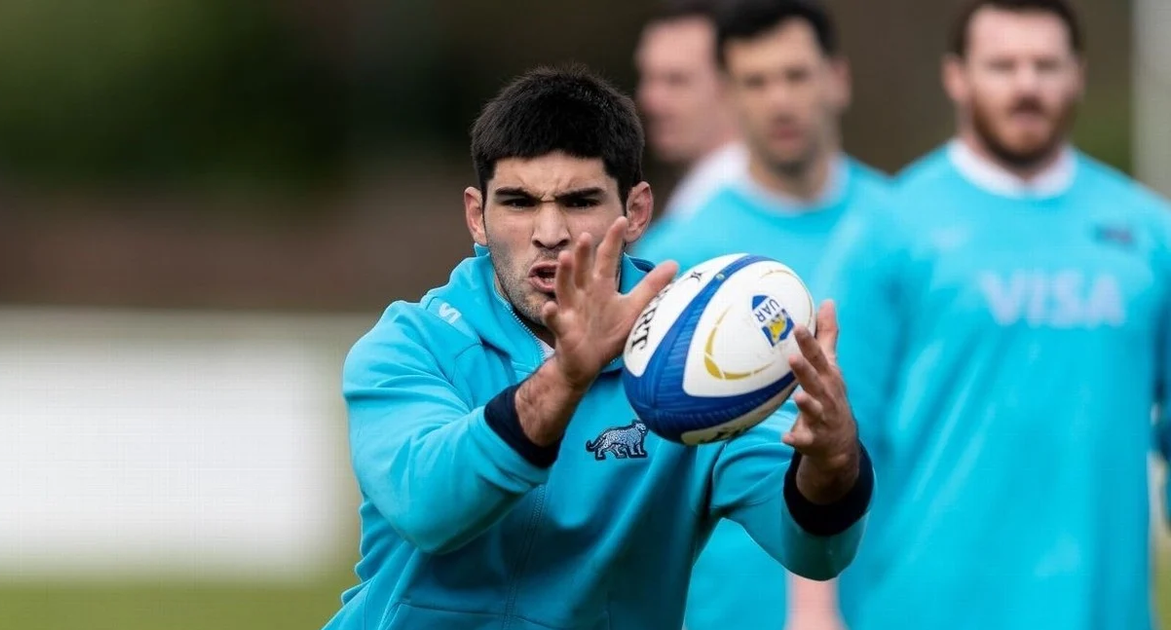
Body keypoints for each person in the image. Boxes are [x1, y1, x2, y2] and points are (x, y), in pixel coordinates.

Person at [321, 64, 874, 630]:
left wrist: (832, 461)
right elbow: (430, 506)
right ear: (476, 216)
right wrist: (568, 377)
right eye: (517, 202)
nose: (550, 232)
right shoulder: (411, 345)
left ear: (636, 211)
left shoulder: (697, 359)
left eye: (580, 201)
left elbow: (815, 550)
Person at [812, 1, 1171, 629]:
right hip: (920, 608)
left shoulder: (1148, 232)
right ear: (957, 76)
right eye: (1003, 65)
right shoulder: (888, 229)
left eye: (1045, 64)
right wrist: (812, 610)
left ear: (1077, 74)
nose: (1026, 84)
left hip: (1104, 608)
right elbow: (824, 443)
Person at [633, 2, 890, 629]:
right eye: (756, 81)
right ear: (726, 95)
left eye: (797, 76)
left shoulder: (905, 233)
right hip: (723, 606)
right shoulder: (674, 260)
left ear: (838, 79)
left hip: (887, 591)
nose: (780, 101)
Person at [635, 0, 744, 222]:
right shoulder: (694, 197)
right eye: (647, 77)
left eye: (676, 80)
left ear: (733, 83)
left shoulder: (729, 209)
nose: (650, 100)